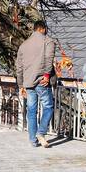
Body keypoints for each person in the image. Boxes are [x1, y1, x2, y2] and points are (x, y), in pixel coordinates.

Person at [14, 19, 57, 148]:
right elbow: (49, 59)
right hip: (42, 82)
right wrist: (47, 75)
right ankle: (41, 132)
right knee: (48, 107)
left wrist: (20, 85)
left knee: (31, 111)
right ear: (42, 29)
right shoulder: (48, 41)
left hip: (28, 83)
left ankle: (33, 141)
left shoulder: (23, 45)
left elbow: (19, 67)